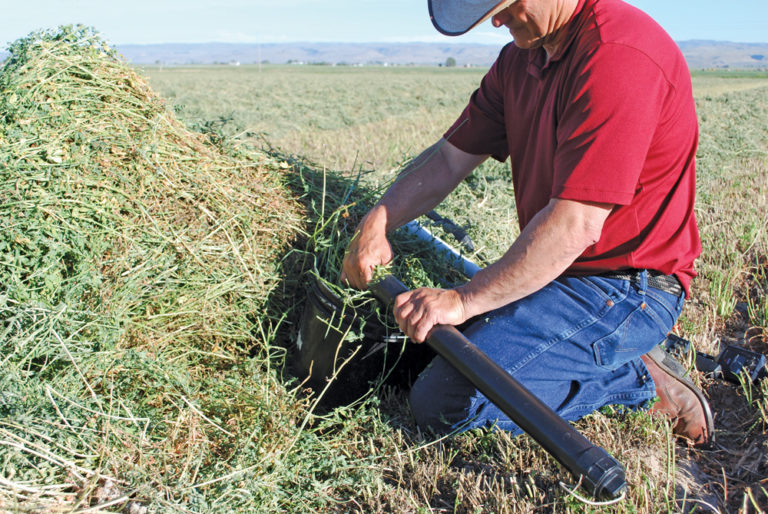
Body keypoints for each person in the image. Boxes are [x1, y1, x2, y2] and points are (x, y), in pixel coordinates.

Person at [340, 0, 714, 445]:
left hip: (628, 287)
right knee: (418, 357)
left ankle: (635, 378)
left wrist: (463, 301)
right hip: (556, 270)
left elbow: (574, 224)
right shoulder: (520, 60)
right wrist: (378, 220)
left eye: (509, 5)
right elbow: (446, 160)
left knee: (444, 403)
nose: (497, 20)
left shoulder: (618, 55)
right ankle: (589, 354)